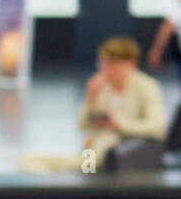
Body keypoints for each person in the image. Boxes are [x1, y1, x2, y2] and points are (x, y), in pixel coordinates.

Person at [18, 37, 166, 172]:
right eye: (103, 64)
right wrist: (90, 98)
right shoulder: (101, 86)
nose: (106, 70)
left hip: (120, 149)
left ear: (130, 64)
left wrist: (118, 124)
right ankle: (57, 180)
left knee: (93, 155)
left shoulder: (147, 87)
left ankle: (66, 177)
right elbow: (82, 125)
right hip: (93, 148)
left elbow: (157, 127)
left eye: (112, 65)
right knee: (26, 162)